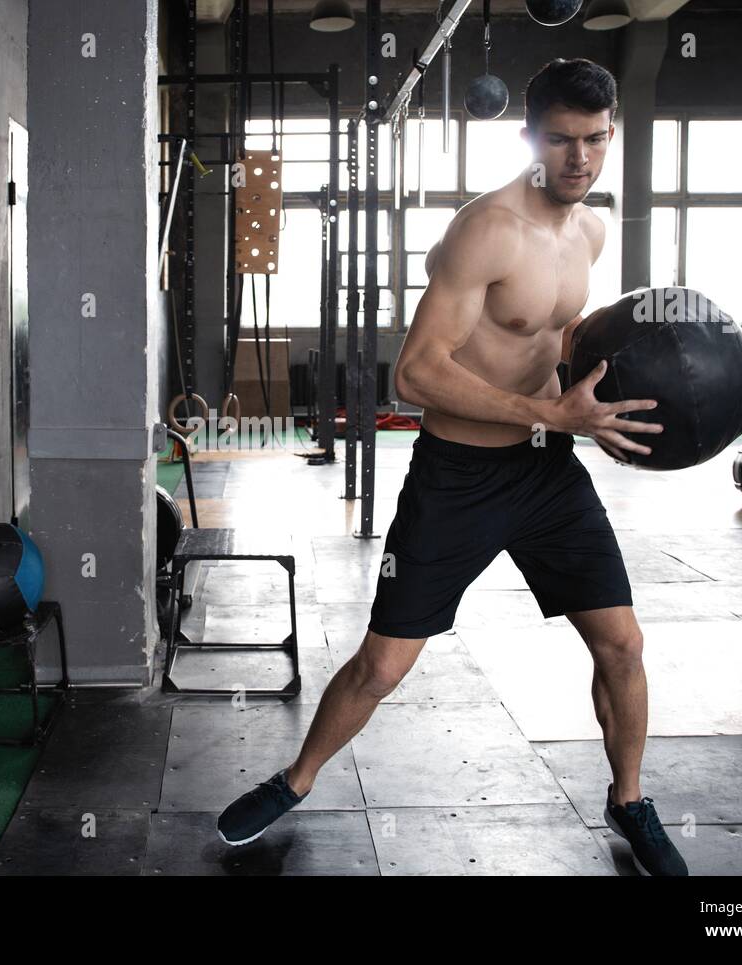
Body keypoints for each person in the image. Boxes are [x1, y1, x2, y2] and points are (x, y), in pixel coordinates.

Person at [217, 58, 688, 876]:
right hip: (457, 475)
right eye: (563, 140)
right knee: (382, 665)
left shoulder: (591, 229)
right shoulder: (488, 230)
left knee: (622, 644)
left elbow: (554, 341)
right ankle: (295, 779)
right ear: (529, 135)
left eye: (597, 141)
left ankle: (630, 797)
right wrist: (550, 411)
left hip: (548, 470)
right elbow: (415, 372)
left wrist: (598, 406)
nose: (580, 159)